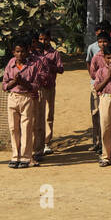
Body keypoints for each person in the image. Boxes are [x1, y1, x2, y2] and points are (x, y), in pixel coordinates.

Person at [1, 39, 41, 168]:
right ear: (13, 52)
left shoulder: (33, 64)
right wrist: (14, 81)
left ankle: (25, 157)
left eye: (23, 52)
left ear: (27, 52)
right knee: (13, 128)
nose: (20, 54)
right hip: (13, 97)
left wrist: (23, 82)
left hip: (27, 97)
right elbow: (5, 85)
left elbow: (36, 85)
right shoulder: (10, 64)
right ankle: (15, 156)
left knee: (26, 127)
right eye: (17, 52)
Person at [31, 29, 64, 159]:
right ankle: (36, 143)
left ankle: (46, 142)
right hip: (37, 88)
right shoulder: (33, 54)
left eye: (45, 39)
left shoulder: (54, 53)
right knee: (36, 116)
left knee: (48, 114)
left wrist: (50, 66)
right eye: (40, 39)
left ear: (50, 39)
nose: (43, 42)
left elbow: (61, 68)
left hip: (49, 86)